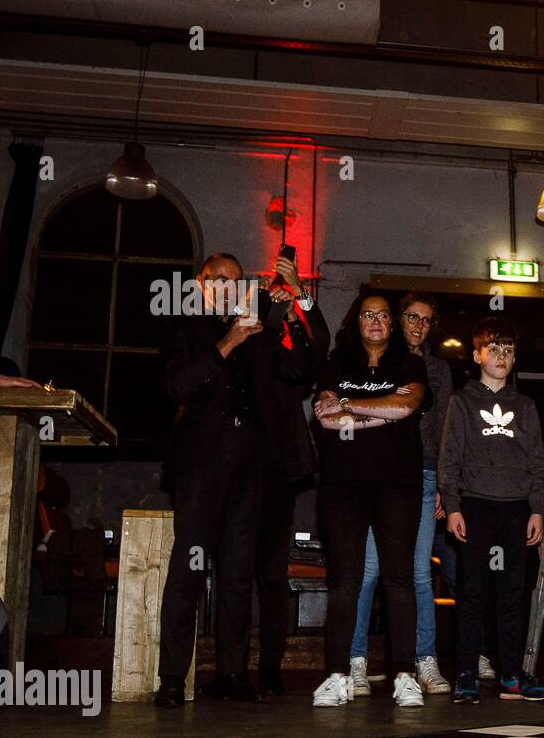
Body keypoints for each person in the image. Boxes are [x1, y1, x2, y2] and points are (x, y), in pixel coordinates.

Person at [155, 252, 321, 708]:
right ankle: (172, 677)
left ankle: (233, 672)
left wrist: (294, 314)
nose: (229, 286)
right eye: (220, 279)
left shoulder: (257, 328)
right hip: (202, 461)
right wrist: (226, 342)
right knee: (189, 567)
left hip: (252, 460)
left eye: (236, 279)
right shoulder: (184, 325)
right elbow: (179, 386)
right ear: (201, 283)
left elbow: (299, 371)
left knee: (237, 572)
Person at [311, 293, 428, 707]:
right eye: (367, 314)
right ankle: (338, 676)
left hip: (398, 484)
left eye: (382, 314)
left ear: (391, 323)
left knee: (400, 580)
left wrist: (347, 403)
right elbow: (325, 418)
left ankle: (404, 676)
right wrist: (381, 411)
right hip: (343, 485)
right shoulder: (337, 361)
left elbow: (407, 406)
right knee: (345, 580)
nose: (375, 321)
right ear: (355, 321)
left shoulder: (410, 363)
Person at [345, 292, 455, 696]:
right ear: (397, 319)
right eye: (412, 316)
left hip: (423, 476)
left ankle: (424, 662)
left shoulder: (439, 371)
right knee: (370, 571)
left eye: (427, 320)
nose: (419, 325)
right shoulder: (381, 363)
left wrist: (445, 483)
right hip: (384, 475)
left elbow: (444, 429)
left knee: (420, 573)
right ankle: (355, 662)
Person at [438, 317, 544, 704]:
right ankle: (467, 672)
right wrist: (453, 506)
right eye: (494, 349)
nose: (502, 356)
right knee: (471, 592)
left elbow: (538, 461)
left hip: (516, 510)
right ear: (477, 355)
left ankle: (512, 674)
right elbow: (449, 458)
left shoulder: (526, 405)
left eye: (508, 350)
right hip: (476, 506)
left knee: (512, 593)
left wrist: (537, 508)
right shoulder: (462, 401)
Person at [252, 254, 330, 696]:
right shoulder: (250, 327)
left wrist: (300, 295)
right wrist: (271, 302)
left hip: (279, 467)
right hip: (239, 464)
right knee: (236, 568)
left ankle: (270, 664)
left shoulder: (294, 344)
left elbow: (317, 350)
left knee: (272, 571)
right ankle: (229, 666)